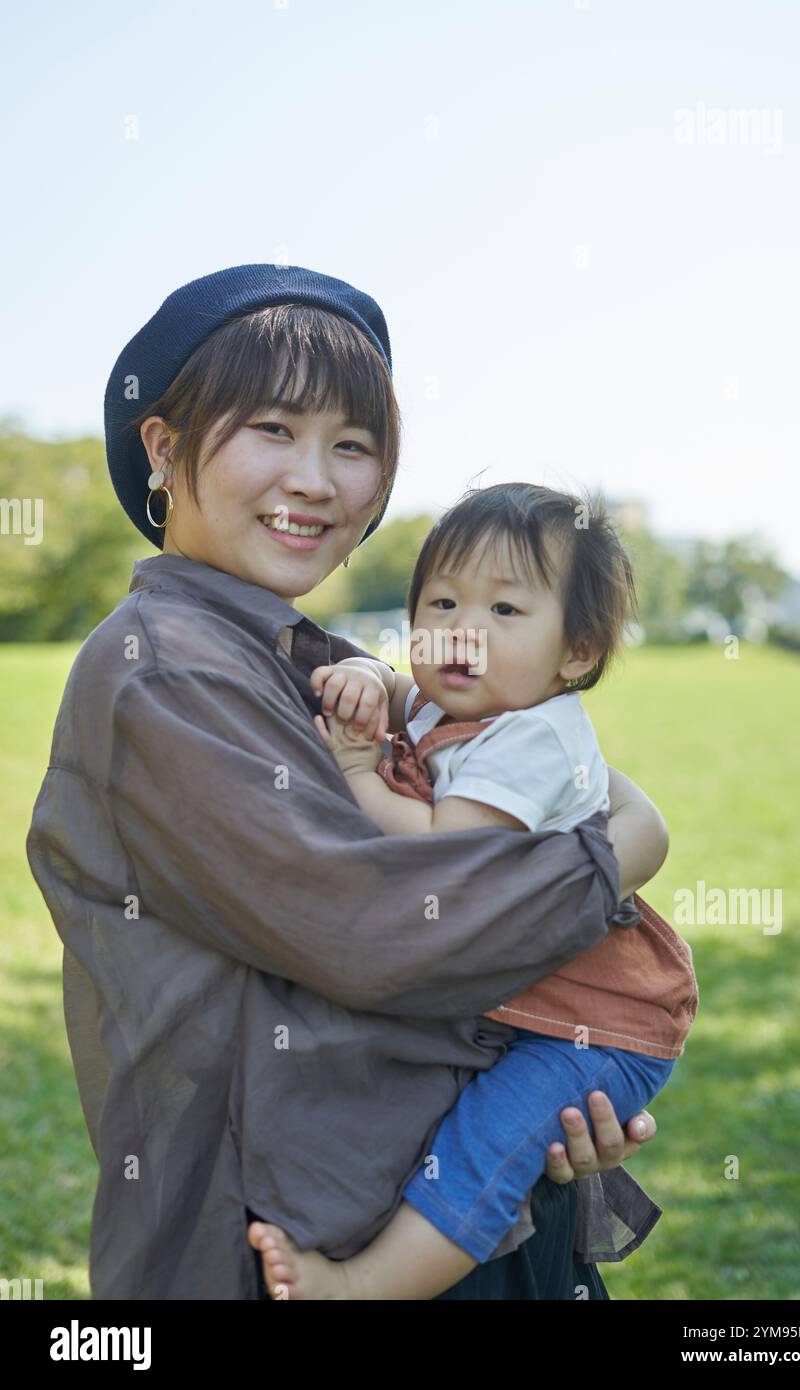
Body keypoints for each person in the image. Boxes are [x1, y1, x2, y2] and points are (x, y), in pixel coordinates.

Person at [26, 263, 667, 1301]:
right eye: (272, 428)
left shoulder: (300, 653)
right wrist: (622, 843)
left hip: (441, 1214)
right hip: (281, 1239)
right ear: (164, 445)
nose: (315, 480)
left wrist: (550, 1090)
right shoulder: (167, 664)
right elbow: (381, 931)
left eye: (352, 445)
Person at [249, 482, 697, 1300]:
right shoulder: (458, 693)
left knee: (488, 1143)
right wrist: (363, 678)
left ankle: (364, 1288)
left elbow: (442, 854)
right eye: (443, 602)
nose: (463, 630)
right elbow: (400, 694)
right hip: (537, 999)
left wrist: (354, 771)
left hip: (597, 1024)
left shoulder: (534, 737)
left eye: (505, 612)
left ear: (577, 653)